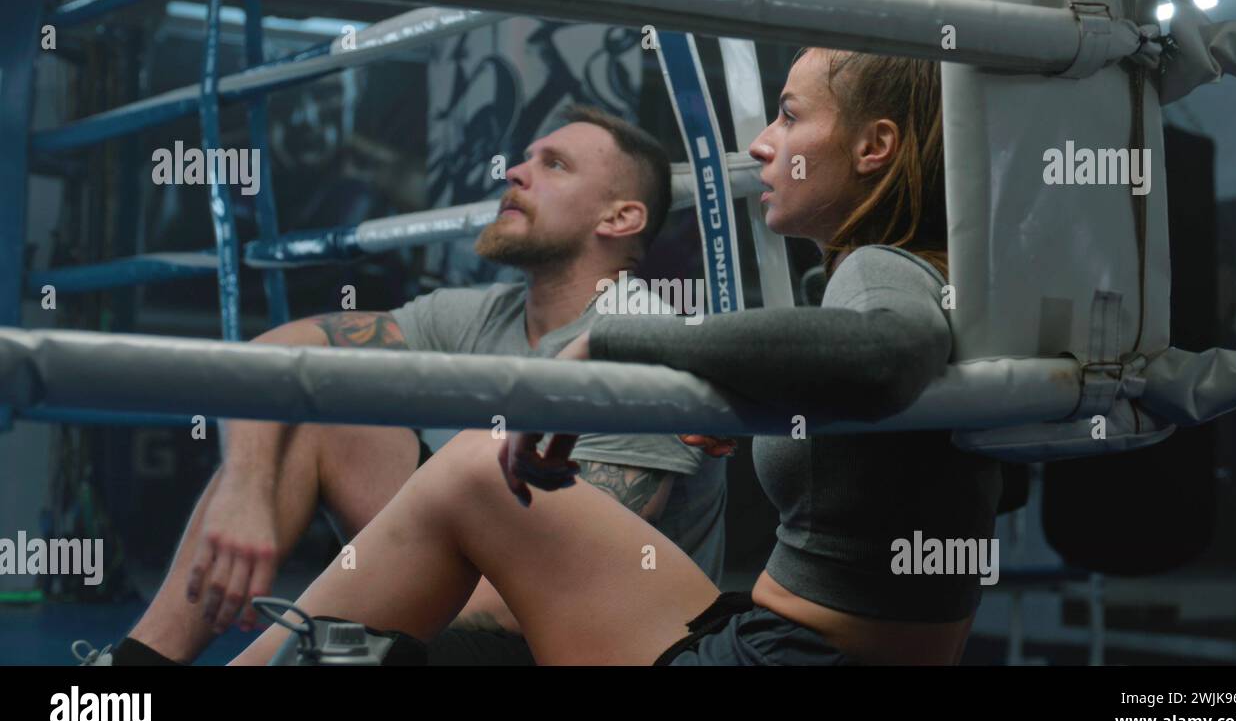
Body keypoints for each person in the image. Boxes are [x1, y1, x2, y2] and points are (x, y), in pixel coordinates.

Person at [230, 46, 1003, 666]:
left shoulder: (881, 268)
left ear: (875, 147)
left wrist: (608, 342)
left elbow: (886, 355)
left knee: (473, 470)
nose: (762, 144)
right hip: (789, 637)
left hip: (791, 651)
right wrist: (745, 394)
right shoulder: (905, 279)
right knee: (461, 473)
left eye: (790, 116)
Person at [75, 105, 728, 666]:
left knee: (462, 495)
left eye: (554, 164)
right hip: (474, 598)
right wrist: (243, 490)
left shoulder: (638, 333)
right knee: (318, 410)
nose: (514, 171)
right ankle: (137, 667)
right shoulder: (483, 313)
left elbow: (537, 586)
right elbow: (278, 354)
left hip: (586, 635)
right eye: (524, 158)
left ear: (619, 218)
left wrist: (346, 624)